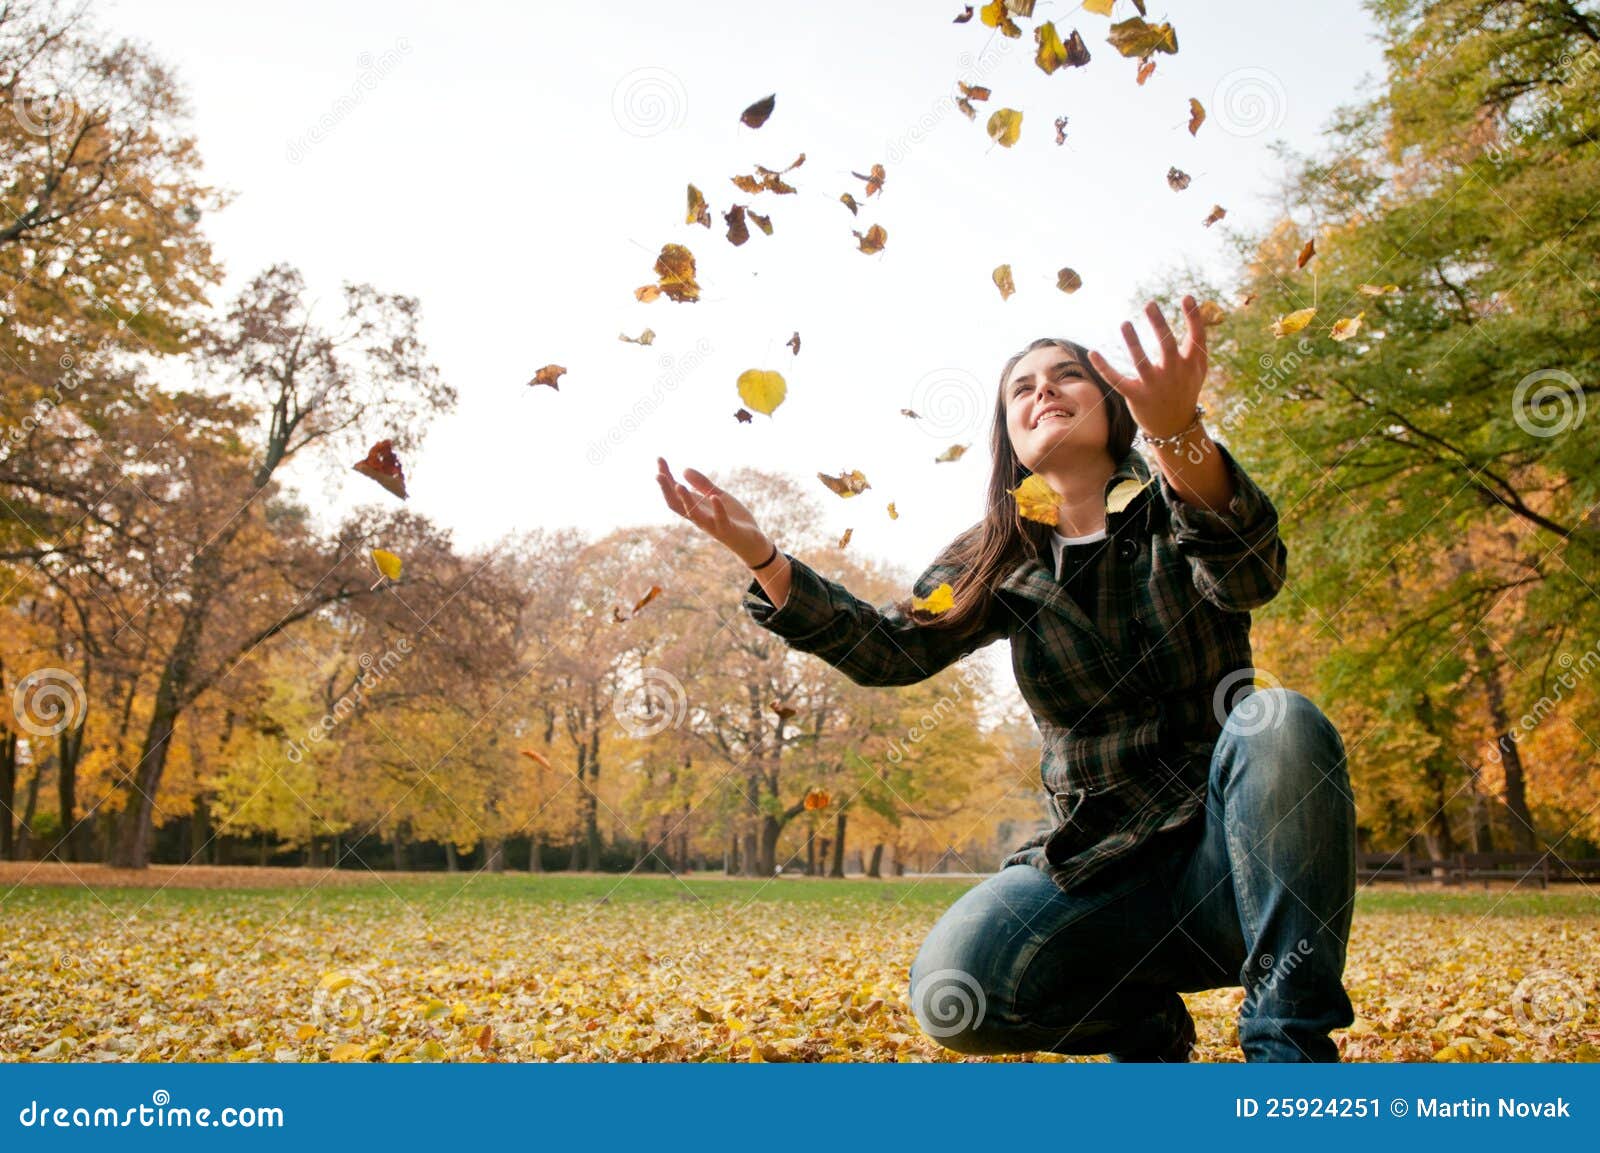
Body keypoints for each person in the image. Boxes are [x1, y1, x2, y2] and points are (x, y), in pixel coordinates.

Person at [655, 296, 1355, 1063]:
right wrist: (765, 559)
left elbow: (1249, 574)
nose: (1042, 389)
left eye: (1066, 376)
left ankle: (1287, 1051)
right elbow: (891, 649)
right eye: (1021, 387)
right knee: (954, 988)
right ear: (1010, 435)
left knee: (1280, 721)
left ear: (1114, 404)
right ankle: (1142, 1024)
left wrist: (1176, 433)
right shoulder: (997, 551)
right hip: (1101, 863)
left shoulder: (1177, 499)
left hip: (1233, 862)